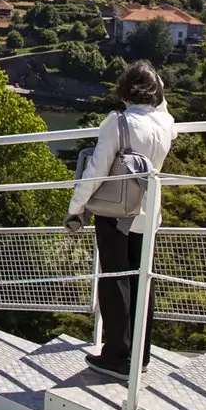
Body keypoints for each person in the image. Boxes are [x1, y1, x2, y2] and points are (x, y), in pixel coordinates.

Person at [65, 61, 177, 380]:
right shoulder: (166, 122)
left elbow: (96, 170)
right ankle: (139, 355)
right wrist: (161, 93)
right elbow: (165, 113)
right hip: (148, 213)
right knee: (143, 280)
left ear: (126, 90)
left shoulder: (118, 123)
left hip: (116, 212)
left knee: (115, 280)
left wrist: (76, 207)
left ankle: (116, 354)